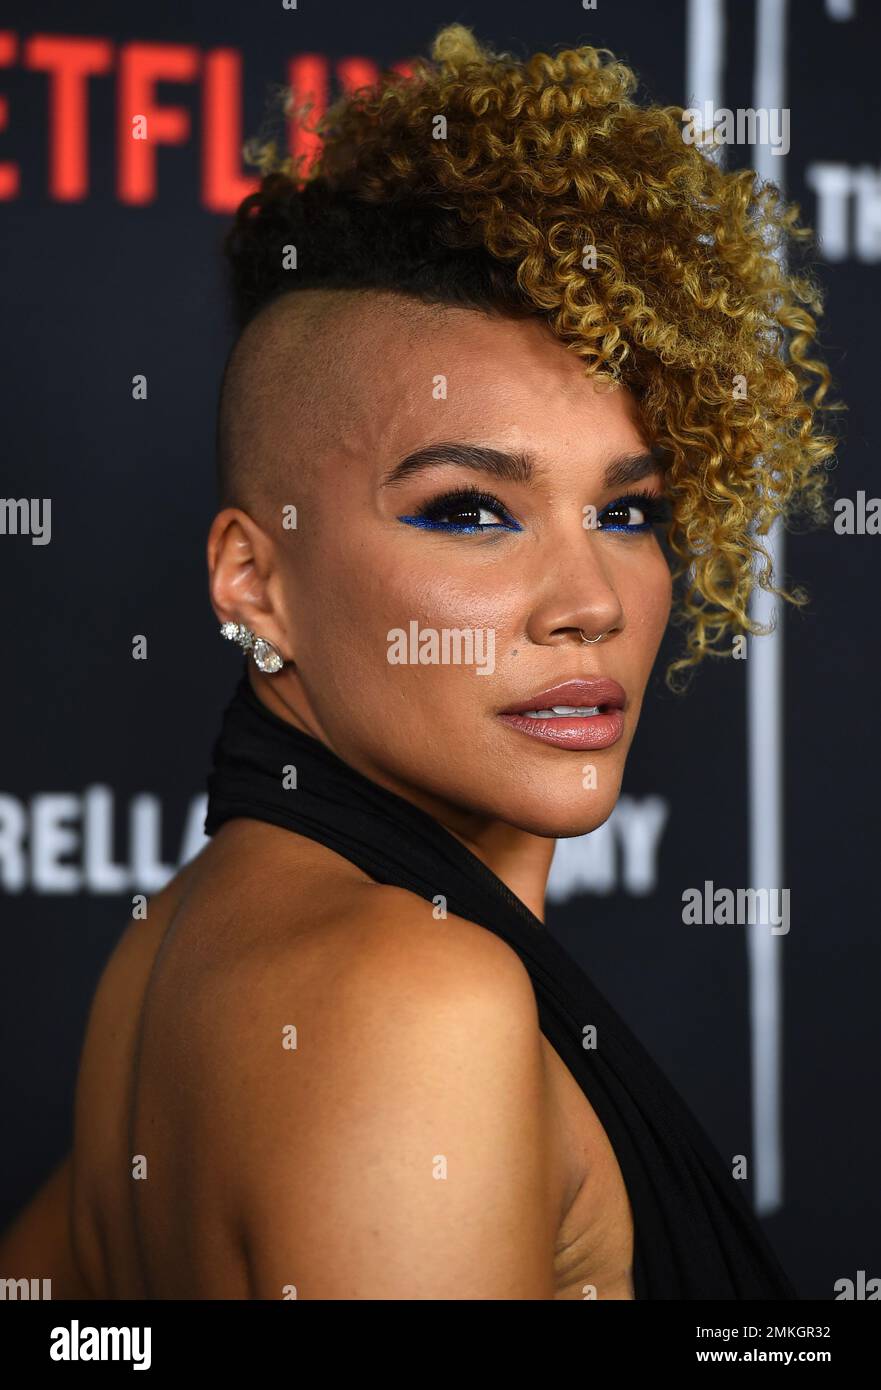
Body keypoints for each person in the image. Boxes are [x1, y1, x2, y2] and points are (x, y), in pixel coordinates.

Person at [1, 23, 837, 1300]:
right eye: (467, 509)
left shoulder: (171, 949)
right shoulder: (413, 999)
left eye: (628, 512)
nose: (587, 603)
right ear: (254, 582)